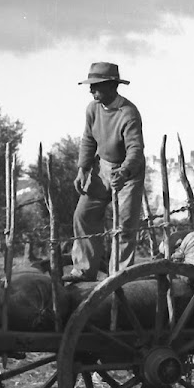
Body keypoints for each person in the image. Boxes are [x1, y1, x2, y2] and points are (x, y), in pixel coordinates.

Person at [67, 61, 146, 283]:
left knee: (124, 226)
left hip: (128, 173)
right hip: (102, 168)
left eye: (96, 86)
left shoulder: (128, 113)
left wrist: (125, 171)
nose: (91, 90)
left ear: (112, 86)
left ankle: (117, 277)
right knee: (83, 214)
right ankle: (83, 270)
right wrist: (83, 169)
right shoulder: (92, 109)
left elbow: (135, 150)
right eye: (90, 86)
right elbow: (88, 139)